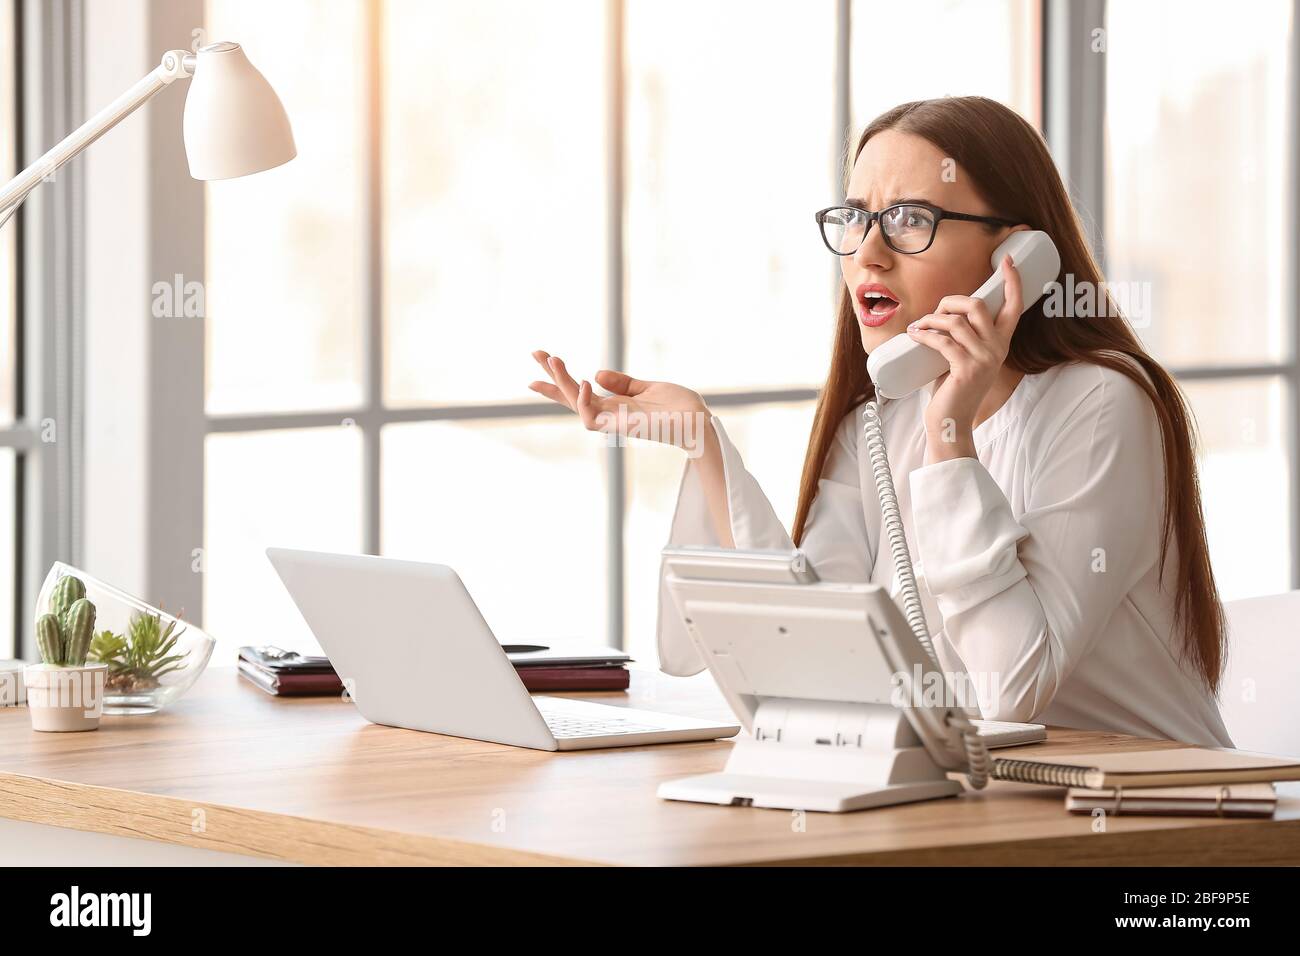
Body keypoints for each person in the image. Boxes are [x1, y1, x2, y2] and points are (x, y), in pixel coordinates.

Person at [528, 96, 1233, 748]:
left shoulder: (1101, 404)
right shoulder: (882, 420)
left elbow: (1009, 686)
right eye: (857, 216)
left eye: (910, 218)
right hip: (978, 812)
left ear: (1016, 259)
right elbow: (806, 658)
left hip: (1150, 813)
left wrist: (949, 438)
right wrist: (705, 446)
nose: (869, 251)